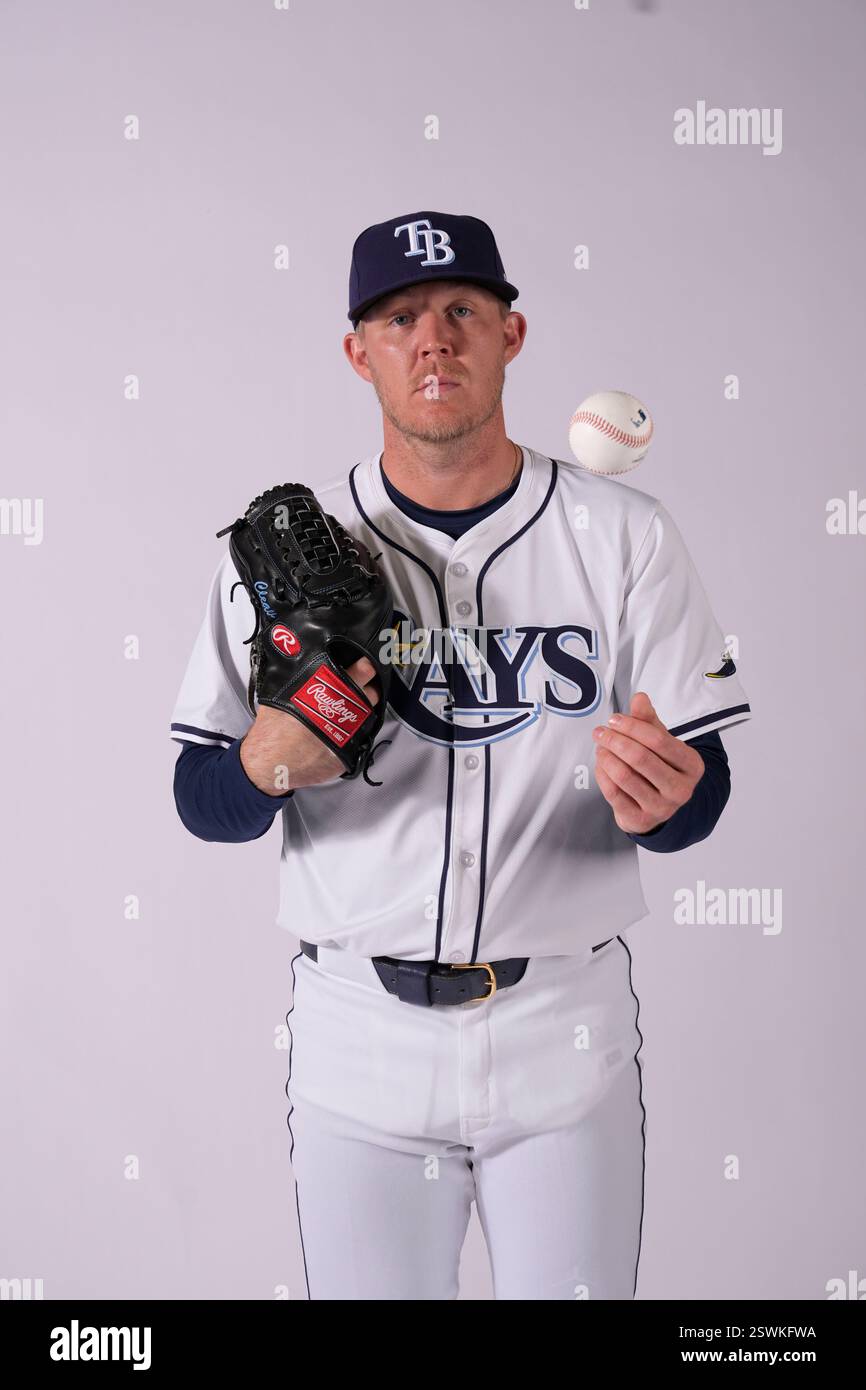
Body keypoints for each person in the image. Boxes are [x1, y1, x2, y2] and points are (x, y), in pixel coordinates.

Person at [170, 210, 751, 1300]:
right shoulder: (283, 551)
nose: (431, 338)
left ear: (509, 336)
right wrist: (265, 763)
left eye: (460, 312)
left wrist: (665, 806)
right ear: (360, 352)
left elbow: (699, 792)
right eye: (398, 318)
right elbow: (199, 796)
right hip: (355, 1040)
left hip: (563, 1030)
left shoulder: (623, 534)